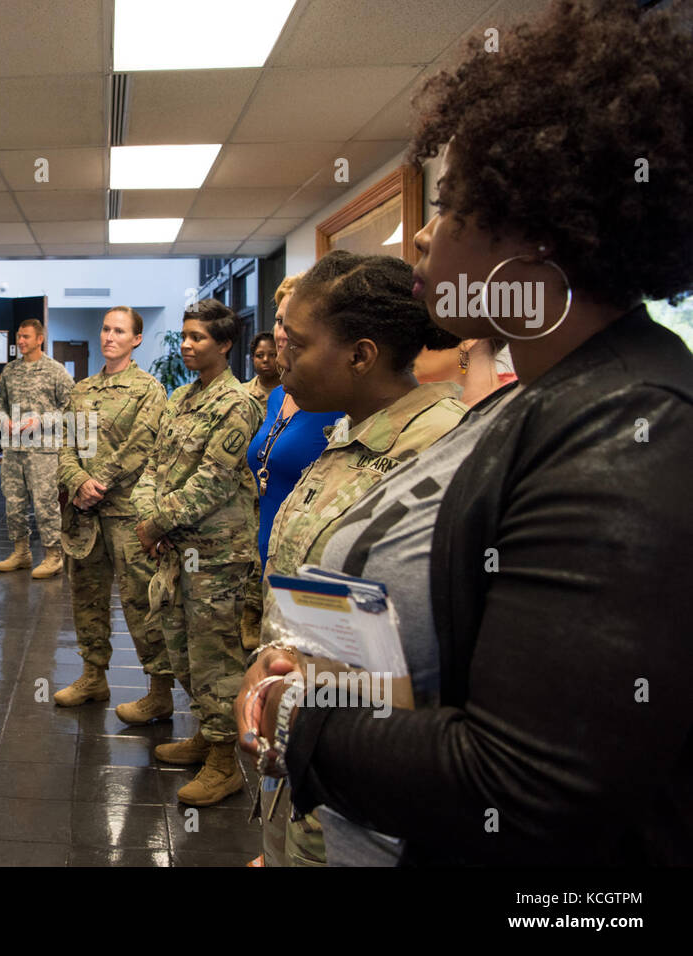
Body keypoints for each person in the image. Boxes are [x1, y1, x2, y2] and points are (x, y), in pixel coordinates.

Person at [239, 0, 693, 866]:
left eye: (446, 206)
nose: (420, 231)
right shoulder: (534, 403)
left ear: (535, 239)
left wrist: (297, 724)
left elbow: (522, 785)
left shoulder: (629, 433)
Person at [252, 250, 468, 866]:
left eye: (297, 342)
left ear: (360, 355)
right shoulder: (346, 433)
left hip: (367, 773)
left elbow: (431, 651)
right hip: (304, 751)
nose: (280, 355)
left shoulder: (440, 451)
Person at [131, 300, 261, 806]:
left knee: (217, 658)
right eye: (184, 336)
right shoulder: (180, 398)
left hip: (216, 555)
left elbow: (213, 480)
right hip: (173, 547)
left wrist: (156, 521)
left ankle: (225, 762)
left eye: (198, 338)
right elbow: (152, 467)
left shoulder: (237, 403)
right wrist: (149, 518)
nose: (186, 344)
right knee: (181, 648)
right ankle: (208, 733)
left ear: (225, 345)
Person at [239, 275, 342, 863]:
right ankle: (277, 841)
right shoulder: (281, 394)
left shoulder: (338, 405)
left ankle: (302, 844)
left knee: (314, 711)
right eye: (278, 321)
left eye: (293, 325)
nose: (280, 335)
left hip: (316, 586)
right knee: (276, 706)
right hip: (273, 562)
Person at [53, 307, 172, 718]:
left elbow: (140, 447)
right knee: (86, 596)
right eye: (105, 329)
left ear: (136, 339)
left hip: (127, 514)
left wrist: (95, 482)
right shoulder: (81, 390)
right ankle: (93, 676)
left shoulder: (149, 390)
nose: (109, 336)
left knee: (141, 601)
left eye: (119, 330)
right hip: (85, 517)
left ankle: (159, 689)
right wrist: (75, 481)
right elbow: (64, 444)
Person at [0, 318, 74, 579]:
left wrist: (40, 421)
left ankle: (53, 556)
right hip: (14, 449)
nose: (21, 341)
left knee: (45, 504)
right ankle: (21, 552)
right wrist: (4, 421)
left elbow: (71, 409)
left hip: (44, 451)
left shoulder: (56, 371)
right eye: (19, 336)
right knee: (14, 503)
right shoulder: (10, 371)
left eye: (26, 336)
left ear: (40, 339)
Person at [245, 332, 281, 419]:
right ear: (253, 358)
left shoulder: (292, 392)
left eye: (272, 355)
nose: (265, 360)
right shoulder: (243, 393)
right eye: (260, 355)